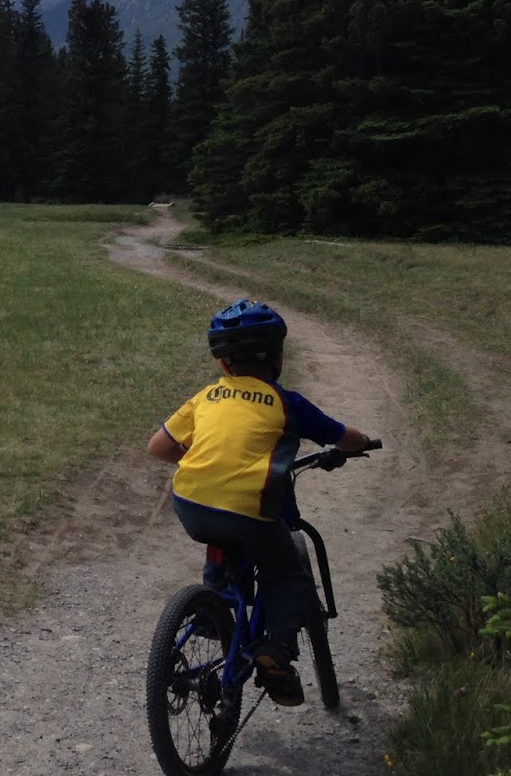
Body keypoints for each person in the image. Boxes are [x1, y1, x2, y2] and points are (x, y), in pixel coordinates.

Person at [146, 299, 371, 707]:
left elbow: (158, 447)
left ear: (223, 364)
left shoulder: (206, 397)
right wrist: (364, 443)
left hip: (190, 503)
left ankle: (211, 611)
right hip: (251, 514)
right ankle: (276, 651)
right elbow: (343, 436)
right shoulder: (289, 404)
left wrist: (200, 462)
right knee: (288, 575)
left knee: (221, 536)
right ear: (279, 358)